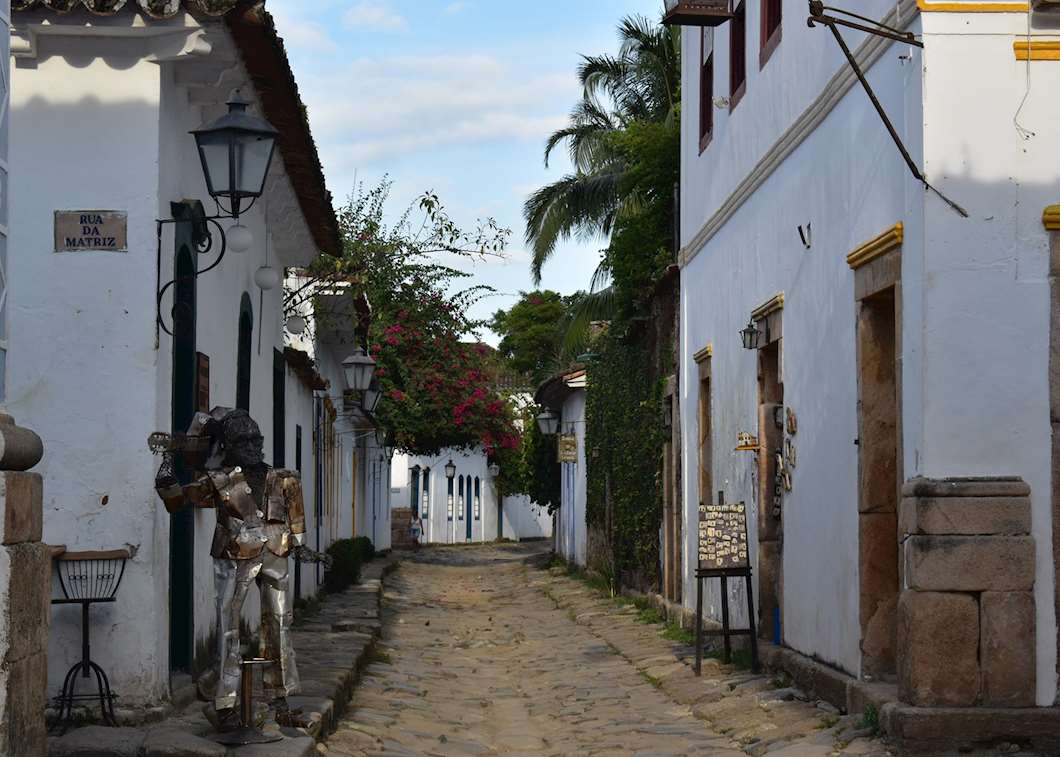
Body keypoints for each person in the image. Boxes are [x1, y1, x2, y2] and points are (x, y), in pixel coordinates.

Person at [154, 407, 309, 731]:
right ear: (228, 446)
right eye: (243, 441)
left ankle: (280, 701)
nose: (252, 446)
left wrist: (301, 546)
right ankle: (225, 706)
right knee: (229, 630)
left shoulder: (285, 479)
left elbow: (296, 523)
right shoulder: (220, 480)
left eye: (256, 439)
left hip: (275, 555)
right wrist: (167, 468)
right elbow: (177, 502)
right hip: (232, 556)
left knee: (280, 625)